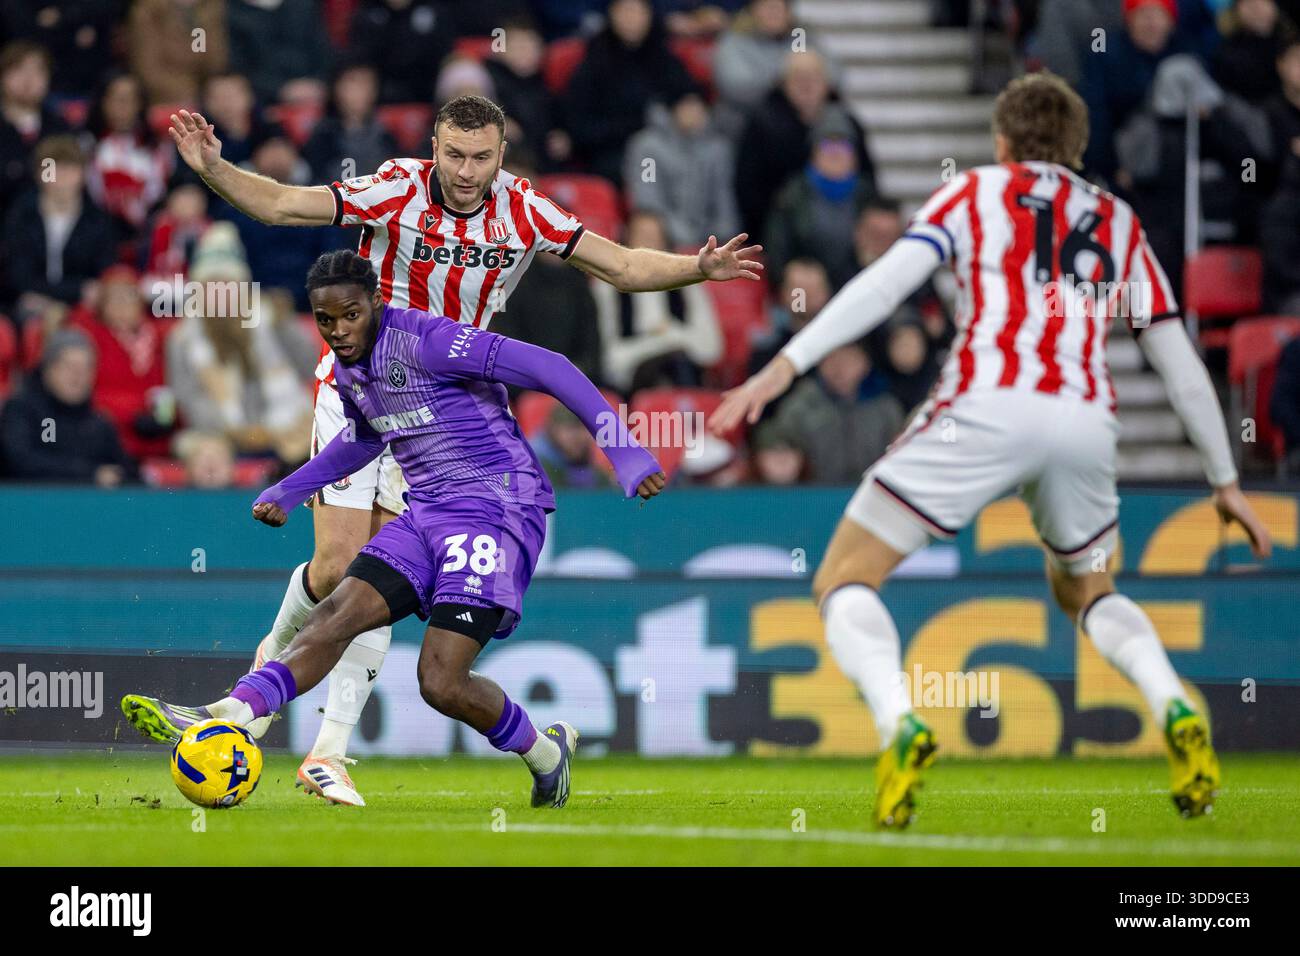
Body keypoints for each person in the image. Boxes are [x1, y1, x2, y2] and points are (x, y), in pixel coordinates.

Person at [711, 72, 1273, 828]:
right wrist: (1225, 478)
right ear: (1076, 148)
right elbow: (1178, 363)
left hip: (983, 405)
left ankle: (900, 723)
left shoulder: (974, 193)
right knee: (1087, 590)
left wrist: (782, 367)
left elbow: (883, 288)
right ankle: (1174, 701)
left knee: (846, 575)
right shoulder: (1117, 219)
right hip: (1083, 417)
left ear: (1002, 141)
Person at [164, 93, 760, 803]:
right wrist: (213, 169)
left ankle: (315, 746)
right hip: (364, 387)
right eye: (453, 154)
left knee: (368, 586)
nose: (466, 170)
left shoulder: (527, 210)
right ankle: (251, 715)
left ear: (502, 155)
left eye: (480, 157)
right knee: (335, 570)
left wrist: (698, 269)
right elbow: (284, 206)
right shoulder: (396, 186)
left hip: (452, 410)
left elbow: (624, 266)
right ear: (435, 148)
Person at [121, 250, 666, 811]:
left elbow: (552, 368)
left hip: (495, 508)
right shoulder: (349, 369)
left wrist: (622, 451)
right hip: (425, 512)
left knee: (441, 681)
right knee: (336, 612)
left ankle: (548, 756)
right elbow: (363, 439)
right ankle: (235, 713)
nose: (338, 330)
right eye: (326, 320)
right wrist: (290, 487)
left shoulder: (431, 341)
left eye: (350, 315)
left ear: (376, 303)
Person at [592, 209, 723, 393]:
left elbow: (711, 349)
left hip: (682, 369)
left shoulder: (688, 284)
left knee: (679, 368)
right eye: (642, 236)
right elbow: (611, 360)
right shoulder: (606, 287)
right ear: (626, 240)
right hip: (633, 382)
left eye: (656, 237)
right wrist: (668, 337)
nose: (649, 245)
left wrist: (662, 339)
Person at [0, 327, 135, 485]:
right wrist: (90, 474)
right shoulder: (22, 410)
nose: (78, 376)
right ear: (48, 369)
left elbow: (124, 471)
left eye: (86, 368)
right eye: (69, 366)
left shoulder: (100, 423)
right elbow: (21, 462)